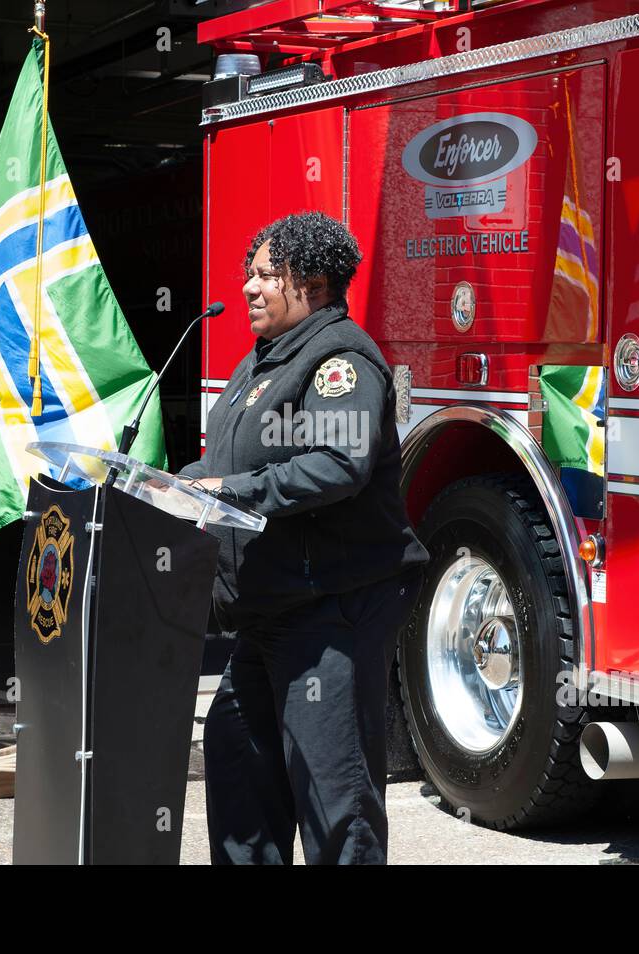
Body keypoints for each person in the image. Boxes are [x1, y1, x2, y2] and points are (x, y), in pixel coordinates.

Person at [179, 211, 428, 864]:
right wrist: (165, 488)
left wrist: (232, 494)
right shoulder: (258, 365)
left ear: (312, 284)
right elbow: (225, 468)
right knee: (238, 779)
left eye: (266, 276)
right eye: (248, 276)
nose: (250, 289)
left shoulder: (340, 362)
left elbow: (337, 464)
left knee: (333, 799)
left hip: (328, 614)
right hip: (266, 617)